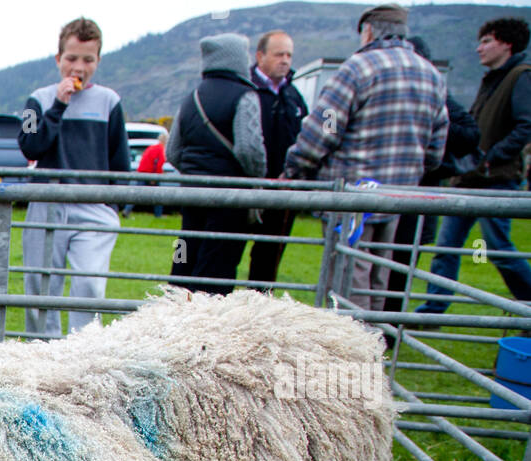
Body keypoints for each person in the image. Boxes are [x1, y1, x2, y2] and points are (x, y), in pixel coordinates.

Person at [283, 5, 446, 313]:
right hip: (400, 195)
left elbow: (325, 129)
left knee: (348, 273)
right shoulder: (431, 76)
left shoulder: (357, 69)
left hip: (353, 196)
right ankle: (373, 342)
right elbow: (437, 145)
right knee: (379, 272)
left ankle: (351, 345)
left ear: (368, 31)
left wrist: (295, 166)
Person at [17, 17, 129, 338]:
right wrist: (58, 106)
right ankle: (43, 354)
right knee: (40, 285)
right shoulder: (36, 99)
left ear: (98, 61)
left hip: (94, 205)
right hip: (46, 203)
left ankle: (82, 354)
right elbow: (29, 145)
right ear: (58, 59)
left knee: (90, 284)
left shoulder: (110, 101)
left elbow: (119, 159)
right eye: (71, 58)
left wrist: (115, 203)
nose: (78, 67)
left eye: (87, 59)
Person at [416, 16, 531, 315]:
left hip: (495, 179)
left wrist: (491, 156)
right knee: (446, 248)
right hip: (469, 179)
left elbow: (526, 125)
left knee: (498, 249)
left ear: (506, 43)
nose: (479, 48)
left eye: (486, 41)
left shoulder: (520, 77)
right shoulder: (492, 79)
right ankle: (433, 309)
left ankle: (530, 303)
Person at [382, 37, 480, 315]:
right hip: (382, 191)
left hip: (415, 195)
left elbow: (470, 135)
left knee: (400, 261)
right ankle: (367, 324)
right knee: (369, 259)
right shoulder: (388, 92)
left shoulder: (436, 93)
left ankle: (388, 326)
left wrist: (429, 127)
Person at [166, 33, 266, 294]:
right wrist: (257, 177)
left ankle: (173, 309)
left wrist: (194, 171)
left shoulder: (192, 97)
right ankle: (208, 324)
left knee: (184, 254)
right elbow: (250, 150)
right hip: (229, 199)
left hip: (191, 196)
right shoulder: (245, 95)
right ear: (238, 59)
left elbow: (172, 150)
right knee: (216, 266)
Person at [247, 29, 307, 288]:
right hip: (246, 190)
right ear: (260, 56)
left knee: (268, 259)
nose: (285, 60)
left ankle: (257, 313)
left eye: (289, 55)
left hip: (283, 191)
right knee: (227, 252)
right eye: (278, 54)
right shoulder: (246, 91)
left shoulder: (294, 97)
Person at [123, 130, 168, 218]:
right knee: (158, 195)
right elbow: (158, 164)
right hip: (150, 174)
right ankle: (158, 215)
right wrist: (157, 177)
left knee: (136, 194)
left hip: (142, 172)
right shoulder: (160, 149)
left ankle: (127, 210)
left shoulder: (152, 147)